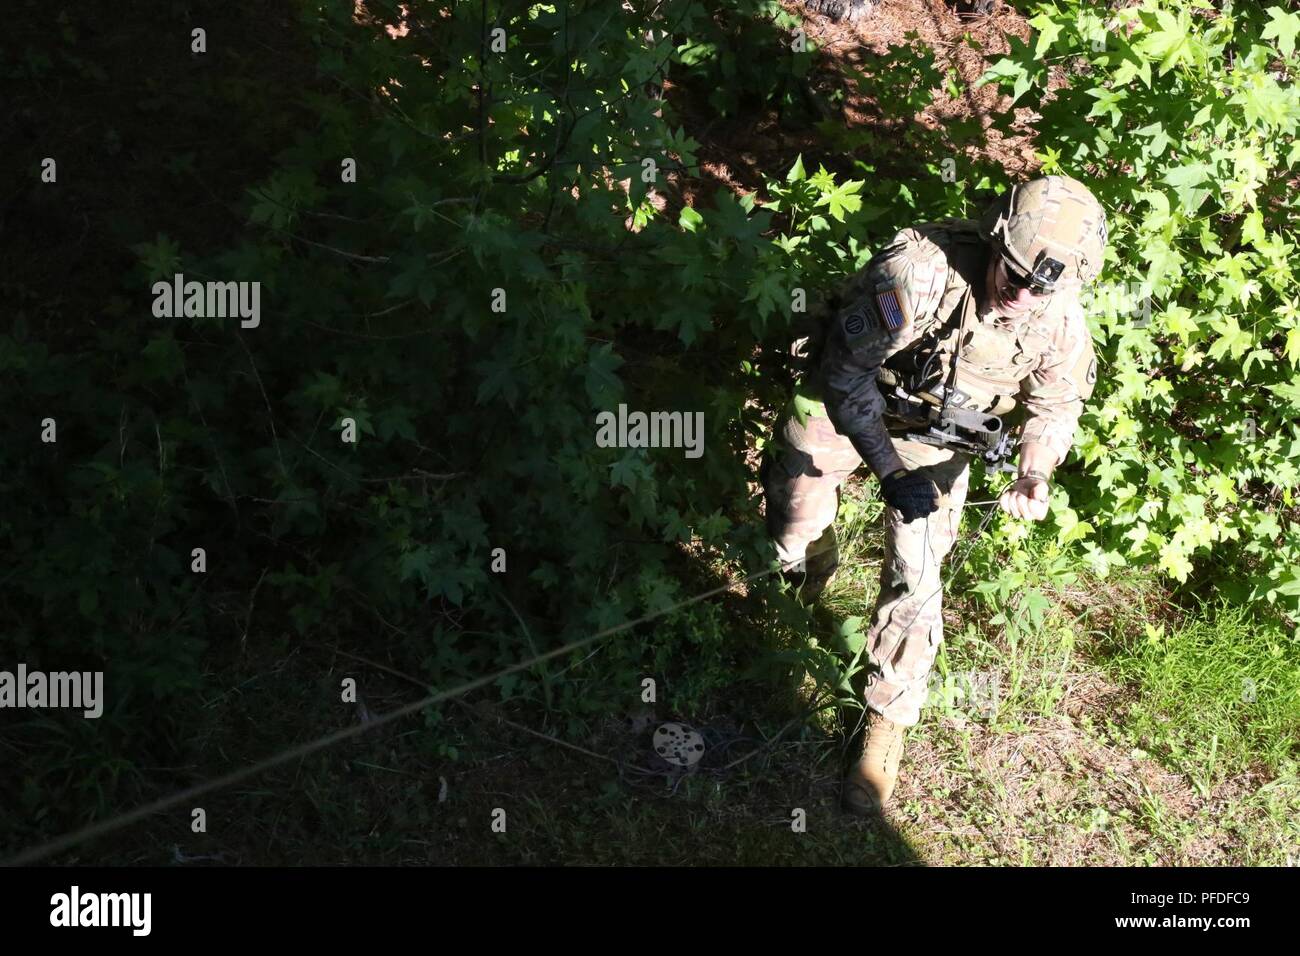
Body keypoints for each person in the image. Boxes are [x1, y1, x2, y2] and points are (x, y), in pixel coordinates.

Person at [762, 175, 1106, 814]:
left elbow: (1056, 405)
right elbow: (844, 377)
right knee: (793, 511)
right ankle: (805, 571)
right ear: (994, 241)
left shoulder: (1058, 314)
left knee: (917, 575)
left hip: (937, 439)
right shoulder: (919, 272)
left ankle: (887, 716)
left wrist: (1035, 472)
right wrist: (890, 472)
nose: (1026, 296)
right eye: (1017, 276)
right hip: (853, 405)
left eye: (1044, 287)